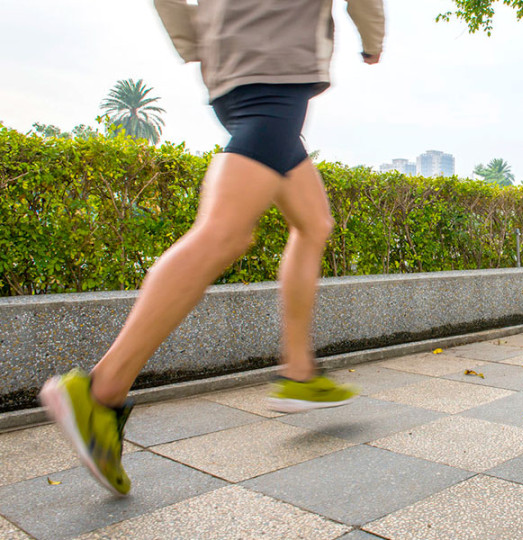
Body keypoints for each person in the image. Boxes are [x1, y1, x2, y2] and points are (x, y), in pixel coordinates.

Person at [38, 0, 385, 496]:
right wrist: (373, 41)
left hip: (231, 73)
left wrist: (200, 43)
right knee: (224, 232)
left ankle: (300, 372)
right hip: (278, 71)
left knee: (314, 222)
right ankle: (100, 389)